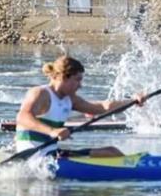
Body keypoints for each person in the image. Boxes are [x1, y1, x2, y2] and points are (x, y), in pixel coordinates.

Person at [15, 56, 146, 158]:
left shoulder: (69, 99)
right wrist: (52, 131)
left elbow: (102, 107)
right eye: (77, 80)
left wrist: (132, 101)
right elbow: (23, 117)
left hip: (52, 154)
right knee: (111, 153)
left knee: (111, 151)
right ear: (63, 77)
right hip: (33, 156)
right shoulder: (41, 93)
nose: (80, 85)